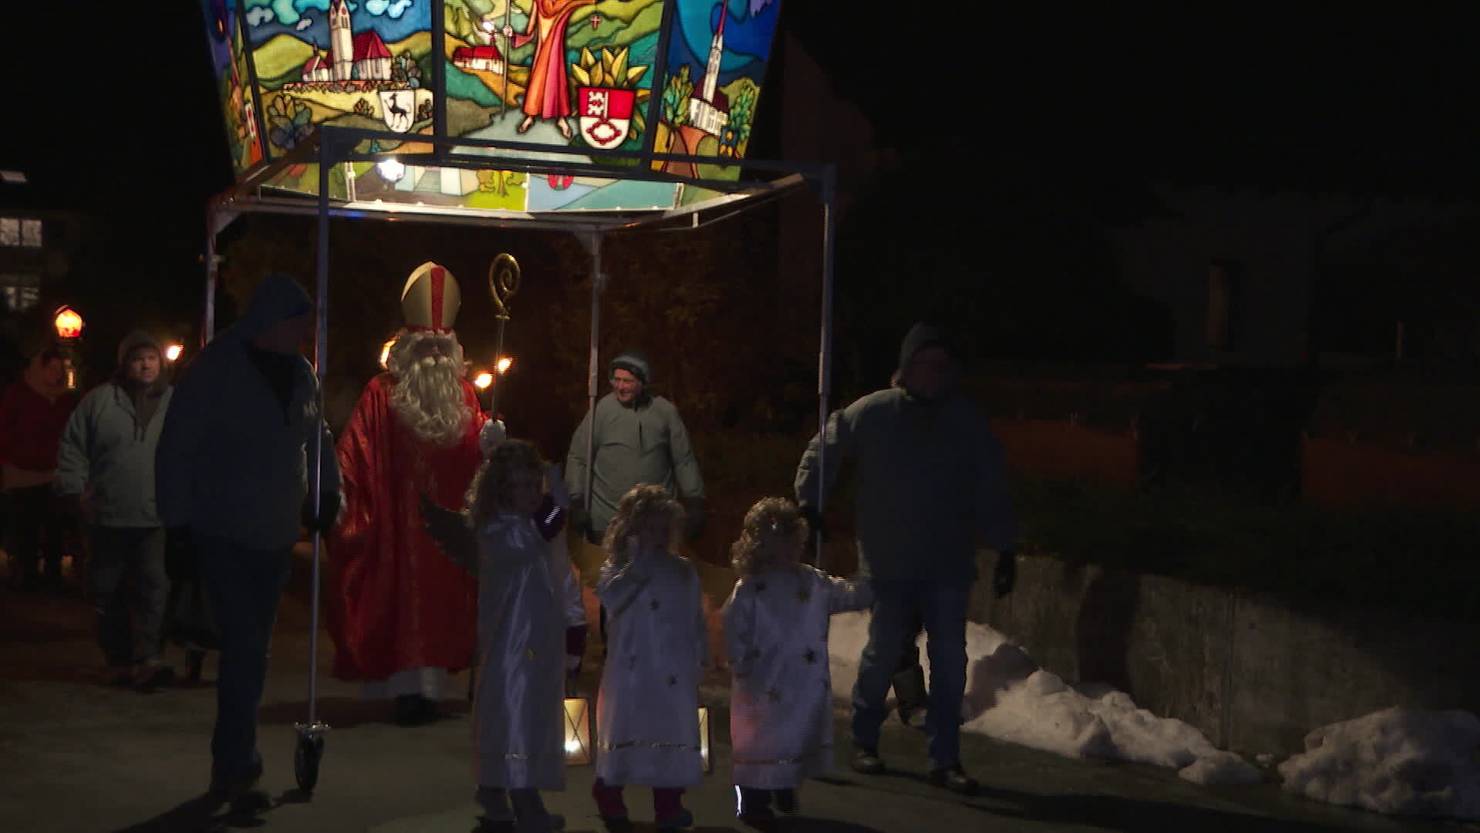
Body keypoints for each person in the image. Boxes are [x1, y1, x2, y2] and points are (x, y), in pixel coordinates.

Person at [794, 322, 1017, 796]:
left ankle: (945, 756)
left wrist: (1005, 545)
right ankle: (864, 739)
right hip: (889, 558)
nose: (933, 373)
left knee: (950, 660)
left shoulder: (965, 421)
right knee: (883, 652)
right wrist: (810, 502)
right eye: (923, 364)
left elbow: (991, 483)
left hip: (947, 561)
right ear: (906, 367)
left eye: (941, 365)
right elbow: (825, 445)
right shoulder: (876, 412)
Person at [155, 272, 342, 804]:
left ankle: (236, 760)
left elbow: (316, 435)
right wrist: (177, 523)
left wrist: (327, 490)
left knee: (252, 649)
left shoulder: (300, 373)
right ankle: (235, 764)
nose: (304, 334)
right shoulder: (216, 369)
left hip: (276, 531)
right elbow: (178, 446)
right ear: (271, 321)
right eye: (297, 324)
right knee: (244, 647)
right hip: (225, 527)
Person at [326, 262, 495, 727]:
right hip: (395, 523)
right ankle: (405, 691)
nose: (434, 354)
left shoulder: (464, 395)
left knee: (440, 601)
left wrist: (488, 441)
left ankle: (430, 690)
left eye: (441, 346)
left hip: (445, 525)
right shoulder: (380, 393)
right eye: (426, 346)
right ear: (407, 347)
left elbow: (475, 451)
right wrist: (341, 492)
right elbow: (357, 450)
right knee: (399, 598)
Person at [426, 440, 571, 833]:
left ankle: (493, 791)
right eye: (520, 487)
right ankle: (523, 798)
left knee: (528, 715)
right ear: (501, 490)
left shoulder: (527, 526)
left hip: (538, 639)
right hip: (511, 643)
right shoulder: (498, 530)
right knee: (513, 715)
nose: (530, 494)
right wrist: (555, 505)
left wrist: (571, 624)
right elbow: (536, 536)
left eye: (534, 485)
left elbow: (556, 572)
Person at [722, 497, 872, 823]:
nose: (791, 549)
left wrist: (871, 570)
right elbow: (734, 626)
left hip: (802, 682)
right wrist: (739, 661)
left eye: (794, 541)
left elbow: (851, 594)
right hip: (762, 681)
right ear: (760, 545)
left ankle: (785, 782)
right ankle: (754, 798)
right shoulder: (750, 589)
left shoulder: (813, 583)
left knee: (795, 733)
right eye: (781, 541)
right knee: (760, 739)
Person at [54, 330, 175, 691]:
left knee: (154, 588)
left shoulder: (176, 402)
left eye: (151, 358)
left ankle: (149, 657)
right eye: (138, 359)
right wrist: (75, 489)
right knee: (108, 589)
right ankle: (118, 659)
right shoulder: (99, 401)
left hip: (155, 515)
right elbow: (73, 446)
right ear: (125, 364)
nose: (145, 365)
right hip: (107, 514)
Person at [592, 485, 706, 832]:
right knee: (625, 728)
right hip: (631, 671)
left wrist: (699, 655)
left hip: (672, 670)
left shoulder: (682, 570)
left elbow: (694, 618)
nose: (656, 537)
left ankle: (669, 804)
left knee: (669, 731)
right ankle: (610, 793)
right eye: (649, 529)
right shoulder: (617, 570)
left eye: (662, 529)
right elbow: (612, 599)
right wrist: (637, 566)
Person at [565, 351, 704, 546]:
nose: (620, 387)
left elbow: (684, 459)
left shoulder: (664, 412)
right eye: (616, 380)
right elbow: (579, 457)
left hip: (655, 521)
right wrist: (576, 499)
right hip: (607, 520)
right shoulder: (602, 410)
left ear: (643, 382)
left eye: (627, 381)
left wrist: (695, 499)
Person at [0, 344, 79, 591]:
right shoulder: (19, 394)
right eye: (51, 369)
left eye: (59, 370)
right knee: (27, 527)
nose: (56, 375)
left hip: (54, 472)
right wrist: (14, 455)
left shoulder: (66, 399)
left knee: (55, 526)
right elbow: (5, 429)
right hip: (23, 472)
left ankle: (53, 575)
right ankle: (28, 574)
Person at [504, 0, 598, 139]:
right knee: (538, 82)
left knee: (556, 81)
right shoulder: (539, 2)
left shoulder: (566, 3)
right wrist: (512, 34)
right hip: (541, 50)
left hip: (555, 53)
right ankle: (531, 116)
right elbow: (530, 32)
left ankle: (560, 118)